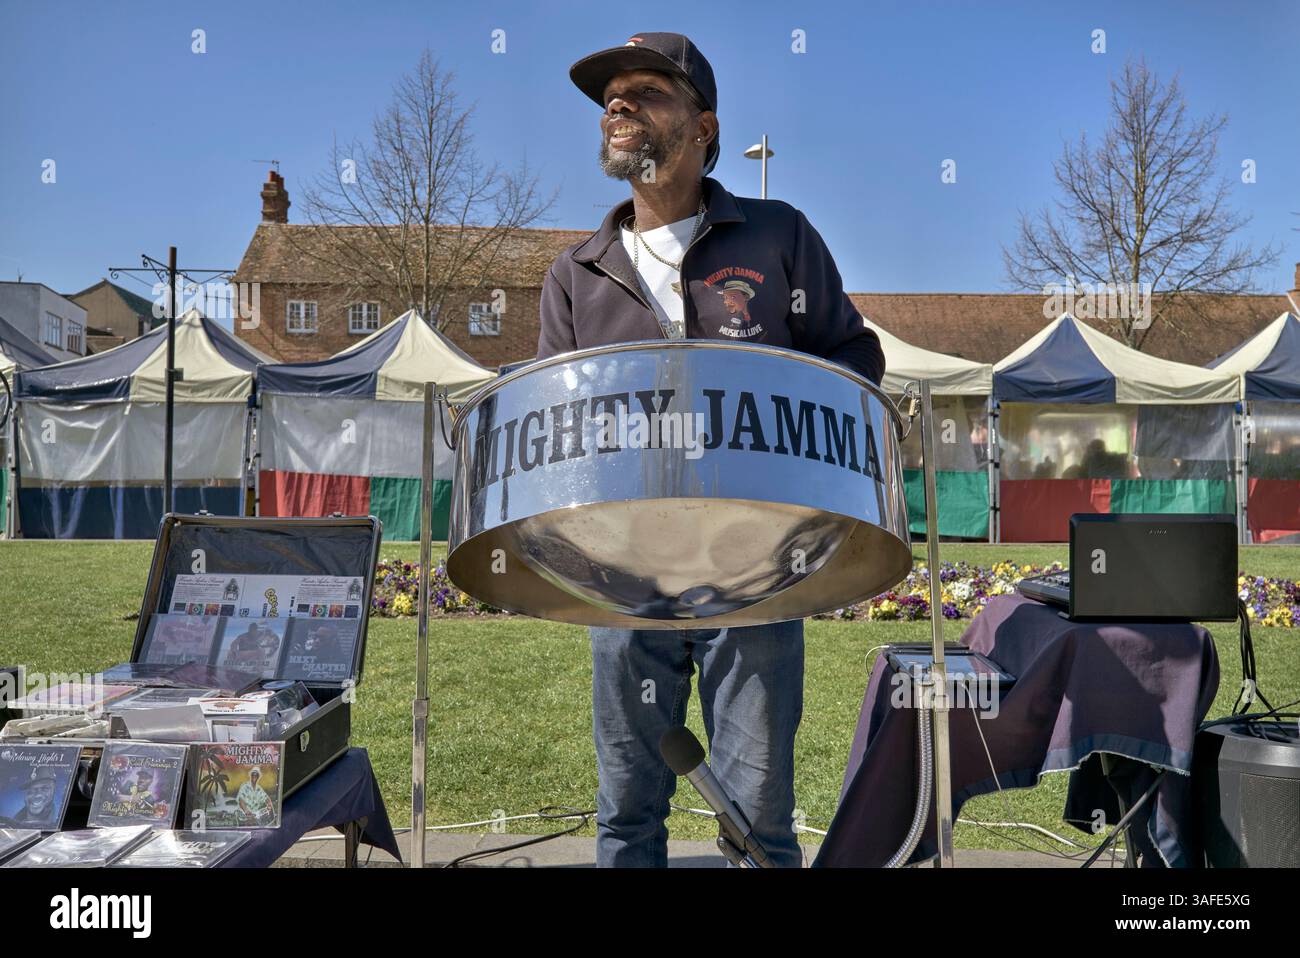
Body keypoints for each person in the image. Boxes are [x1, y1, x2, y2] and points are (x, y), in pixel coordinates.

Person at [538, 32, 885, 868]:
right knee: (626, 810)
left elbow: (853, 360)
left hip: (756, 567)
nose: (618, 106)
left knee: (759, 814)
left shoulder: (778, 237)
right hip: (624, 576)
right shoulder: (575, 274)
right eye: (610, 97)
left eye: (647, 92)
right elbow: (553, 427)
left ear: (702, 126)